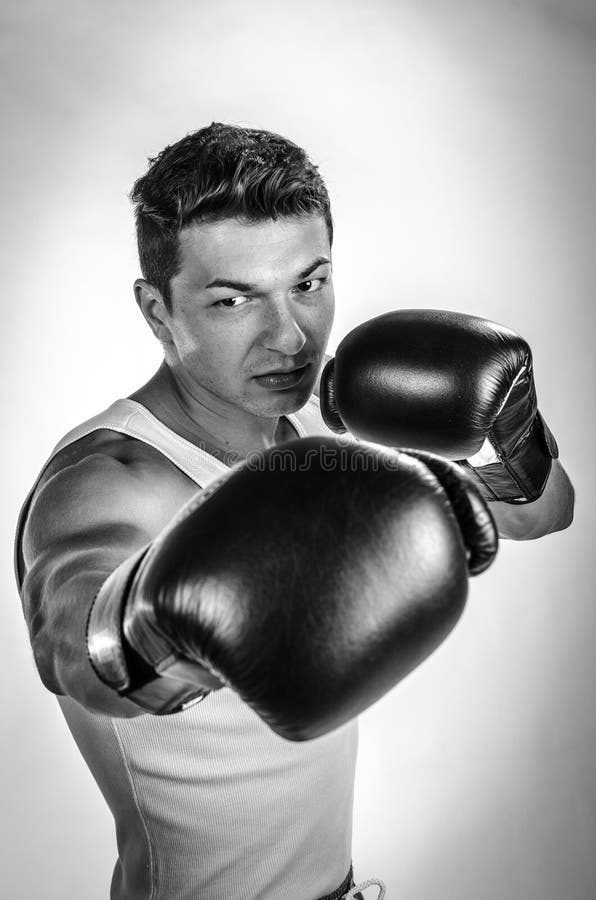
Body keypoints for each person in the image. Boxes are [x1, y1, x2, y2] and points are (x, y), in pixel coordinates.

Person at [14, 123, 574, 900]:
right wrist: (162, 625)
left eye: (308, 285)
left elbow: (544, 513)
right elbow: (71, 653)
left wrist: (510, 436)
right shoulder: (112, 479)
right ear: (157, 311)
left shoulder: (323, 422)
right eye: (233, 299)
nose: (290, 337)